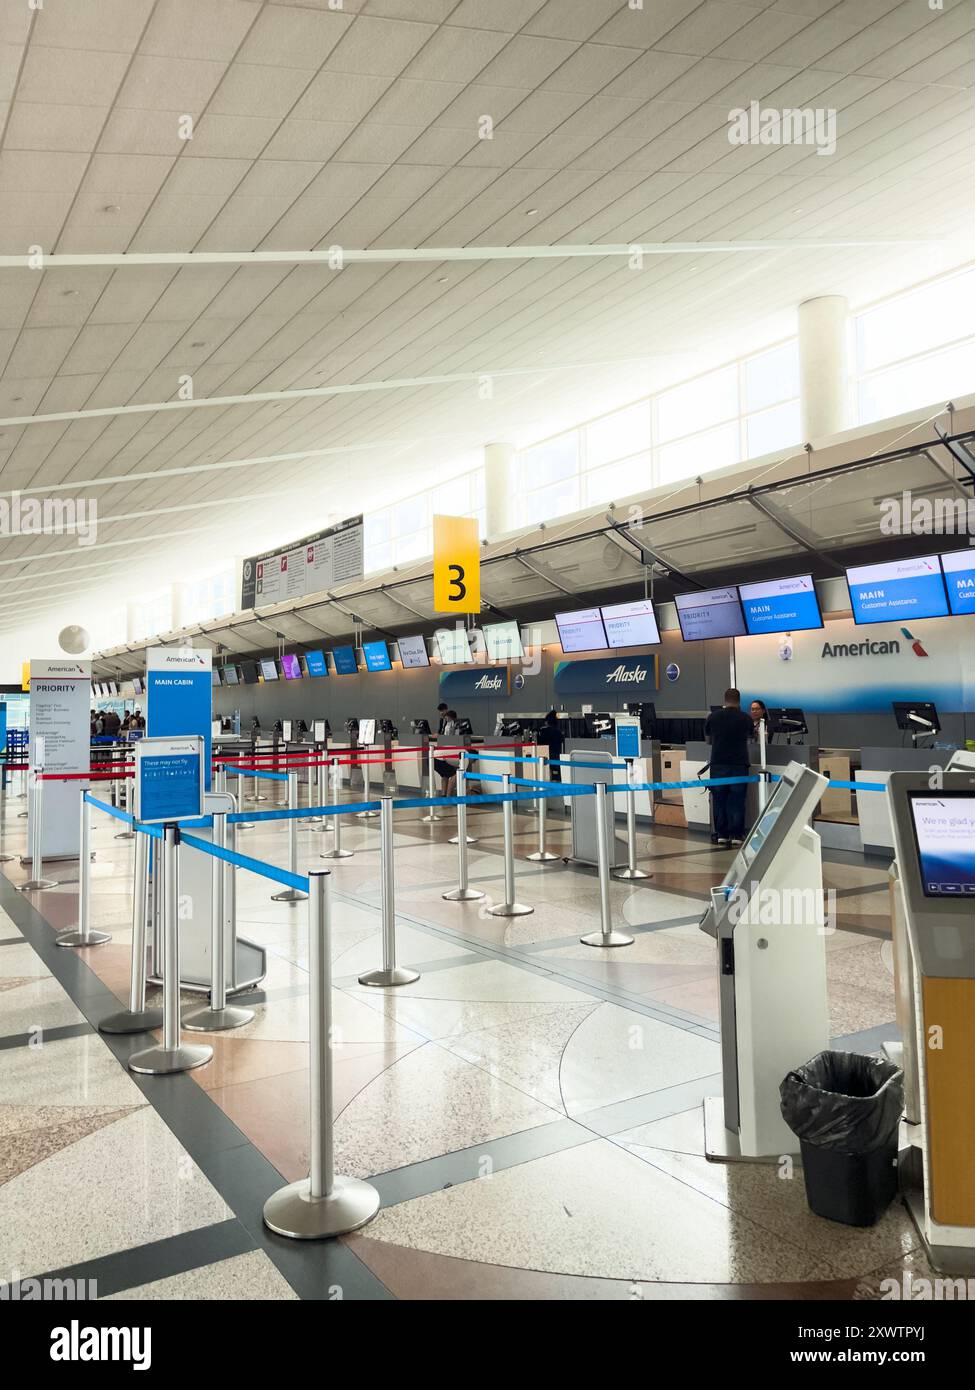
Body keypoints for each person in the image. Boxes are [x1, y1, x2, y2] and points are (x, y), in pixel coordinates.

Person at [704, 688, 754, 846]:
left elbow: (708, 740)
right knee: (737, 801)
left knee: (719, 799)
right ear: (739, 700)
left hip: (718, 763)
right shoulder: (746, 718)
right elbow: (751, 738)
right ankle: (737, 835)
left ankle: (721, 834)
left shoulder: (713, 716)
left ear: (725, 700)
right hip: (739, 764)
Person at [433, 709, 460, 794]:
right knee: (446, 775)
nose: (445, 719)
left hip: (440, 757)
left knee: (446, 775)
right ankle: (445, 795)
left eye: (447, 717)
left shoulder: (456, 724)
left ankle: (446, 795)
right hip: (442, 758)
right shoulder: (446, 724)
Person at [534, 710, 565, 783]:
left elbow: (538, 743)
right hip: (557, 757)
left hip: (545, 759)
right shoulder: (559, 732)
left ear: (547, 722)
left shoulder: (542, 731)